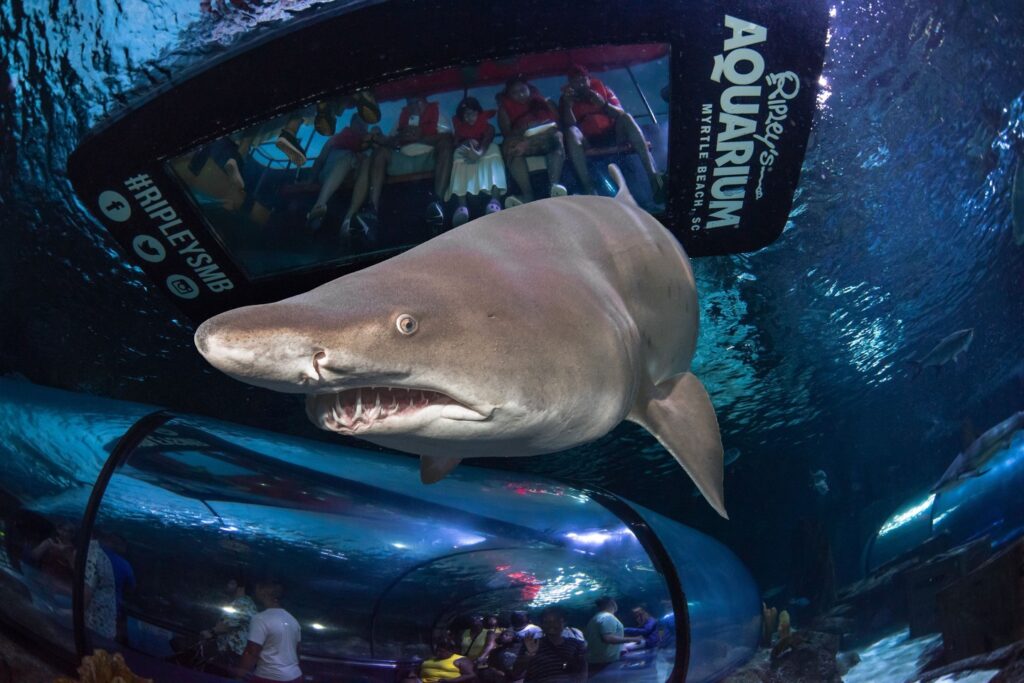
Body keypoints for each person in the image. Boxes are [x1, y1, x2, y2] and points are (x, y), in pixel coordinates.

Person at [559, 65, 664, 202]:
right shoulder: (566, 99)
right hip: (588, 140)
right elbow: (569, 126)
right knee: (571, 132)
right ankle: (589, 188)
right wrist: (568, 106)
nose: (580, 84)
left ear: (589, 80)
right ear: (570, 84)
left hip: (613, 134)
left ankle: (653, 177)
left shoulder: (603, 91)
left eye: (582, 80)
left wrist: (603, 104)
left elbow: (620, 113)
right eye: (575, 81)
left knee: (627, 117)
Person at [368, 96, 454, 228]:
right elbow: (390, 142)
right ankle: (371, 211)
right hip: (403, 160)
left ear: (424, 101)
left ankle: (437, 204)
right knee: (380, 153)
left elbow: (449, 138)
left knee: (446, 147)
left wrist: (422, 137)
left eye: (418, 101)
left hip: (428, 158)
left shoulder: (439, 113)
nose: (415, 105)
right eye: (411, 102)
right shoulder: (401, 117)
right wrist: (400, 137)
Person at [305, 112, 380, 234]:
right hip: (330, 173)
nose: (362, 126)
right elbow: (320, 160)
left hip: (354, 176)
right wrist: (310, 180)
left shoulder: (368, 141)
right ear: (352, 123)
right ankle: (318, 208)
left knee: (365, 160)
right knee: (348, 157)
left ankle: (349, 220)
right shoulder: (336, 139)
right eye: (359, 122)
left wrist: (375, 137)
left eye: (364, 123)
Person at [496, 77, 566, 207]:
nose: (521, 95)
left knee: (557, 136)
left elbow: (559, 125)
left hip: (546, 139)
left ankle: (554, 187)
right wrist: (524, 130)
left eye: (523, 90)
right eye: (515, 93)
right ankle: (527, 195)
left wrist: (540, 128)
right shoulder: (504, 110)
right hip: (522, 140)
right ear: (509, 95)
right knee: (510, 147)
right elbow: (507, 134)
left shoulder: (547, 103)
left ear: (529, 89)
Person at [447, 97, 506, 227]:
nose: (469, 118)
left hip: (483, 150)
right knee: (458, 154)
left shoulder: (488, 127)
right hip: (468, 150)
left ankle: (495, 200)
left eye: (472, 113)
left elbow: (488, 139)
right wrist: (467, 142)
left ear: (478, 113)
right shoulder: (460, 130)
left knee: (495, 149)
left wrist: (479, 153)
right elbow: (456, 143)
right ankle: (461, 206)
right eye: (465, 115)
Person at [236, 578, 302, 683]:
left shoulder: (261, 618)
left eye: (257, 588)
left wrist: (239, 675)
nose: (254, 592)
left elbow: (251, 652)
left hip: (269, 677)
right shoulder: (293, 620)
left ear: (263, 592)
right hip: (295, 676)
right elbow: (297, 651)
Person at [511, 606, 587, 682]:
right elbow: (516, 672)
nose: (551, 624)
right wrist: (529, 654)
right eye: (546, 621)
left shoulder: (576, 645)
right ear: (541, 624)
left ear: (564, 622)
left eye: (556, 621)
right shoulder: (531, 644)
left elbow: (583, 671)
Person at [201, 575, 258, 671]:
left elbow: (225, 626)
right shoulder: (243, 602)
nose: (227, 586)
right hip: (232, 656)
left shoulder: (242, 603)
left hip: (233, 657)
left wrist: (210, 632)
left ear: (240, 587)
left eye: (231, 583)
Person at [583, 597, 641, 675]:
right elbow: (608, 638)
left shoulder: (594, 619)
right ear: (612, 603)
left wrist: (621, 648)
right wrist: (634, 639)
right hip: (606, 662)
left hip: (594, 661)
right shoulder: (608, 617)